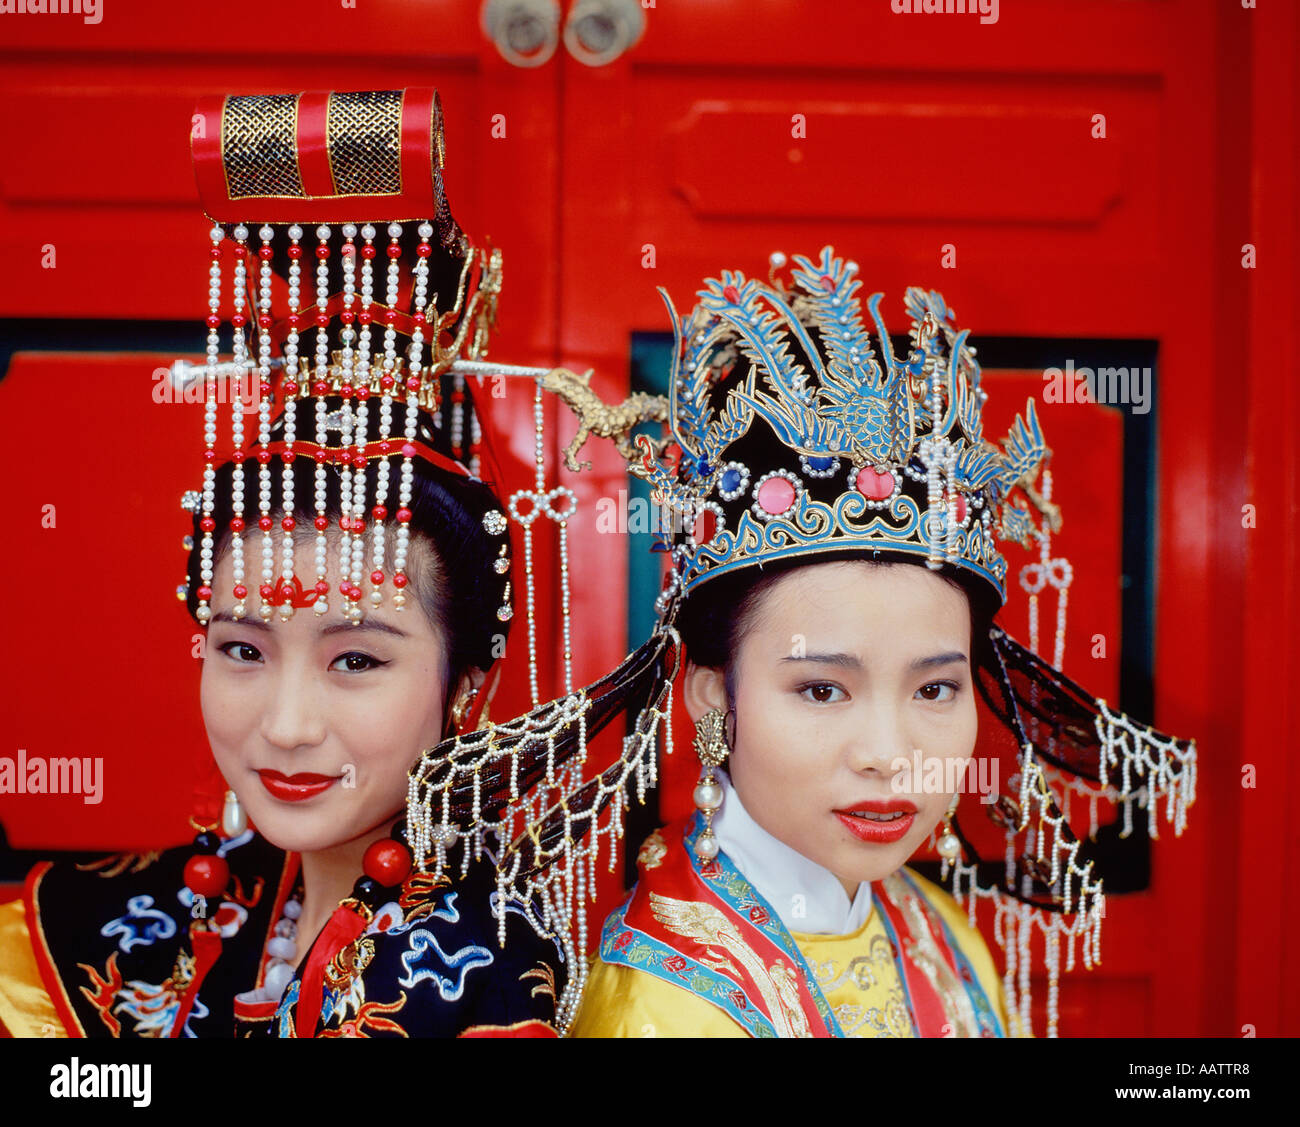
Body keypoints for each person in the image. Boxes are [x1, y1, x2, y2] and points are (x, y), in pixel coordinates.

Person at [0, 87, 573, 1039]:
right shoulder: (102, 927)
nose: (287, 725)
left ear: (464, 684)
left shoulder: (492, 983)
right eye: (241, 648)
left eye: (356, 658)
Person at [566, 248, 1198, 1037]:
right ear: (711, 693)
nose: (890, 752)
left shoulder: (935, 930)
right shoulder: (665, 1011)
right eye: (822, 688)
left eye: (935, 688)